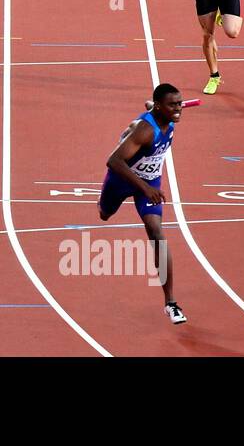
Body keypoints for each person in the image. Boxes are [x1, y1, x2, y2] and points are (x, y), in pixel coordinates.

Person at [98, 83, 186, 325]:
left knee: (157, 233)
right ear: (160, 106)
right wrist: (145, 188)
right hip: (122, 178)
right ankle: (104, 203)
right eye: (173, 105)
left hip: (150, 182)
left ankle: (170, 303)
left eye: (180, 103)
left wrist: (149, 187)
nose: (178, 109)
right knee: (104, 214)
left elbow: (152, 106)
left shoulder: (168, 116)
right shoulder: (145, 131)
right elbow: (113, 160)